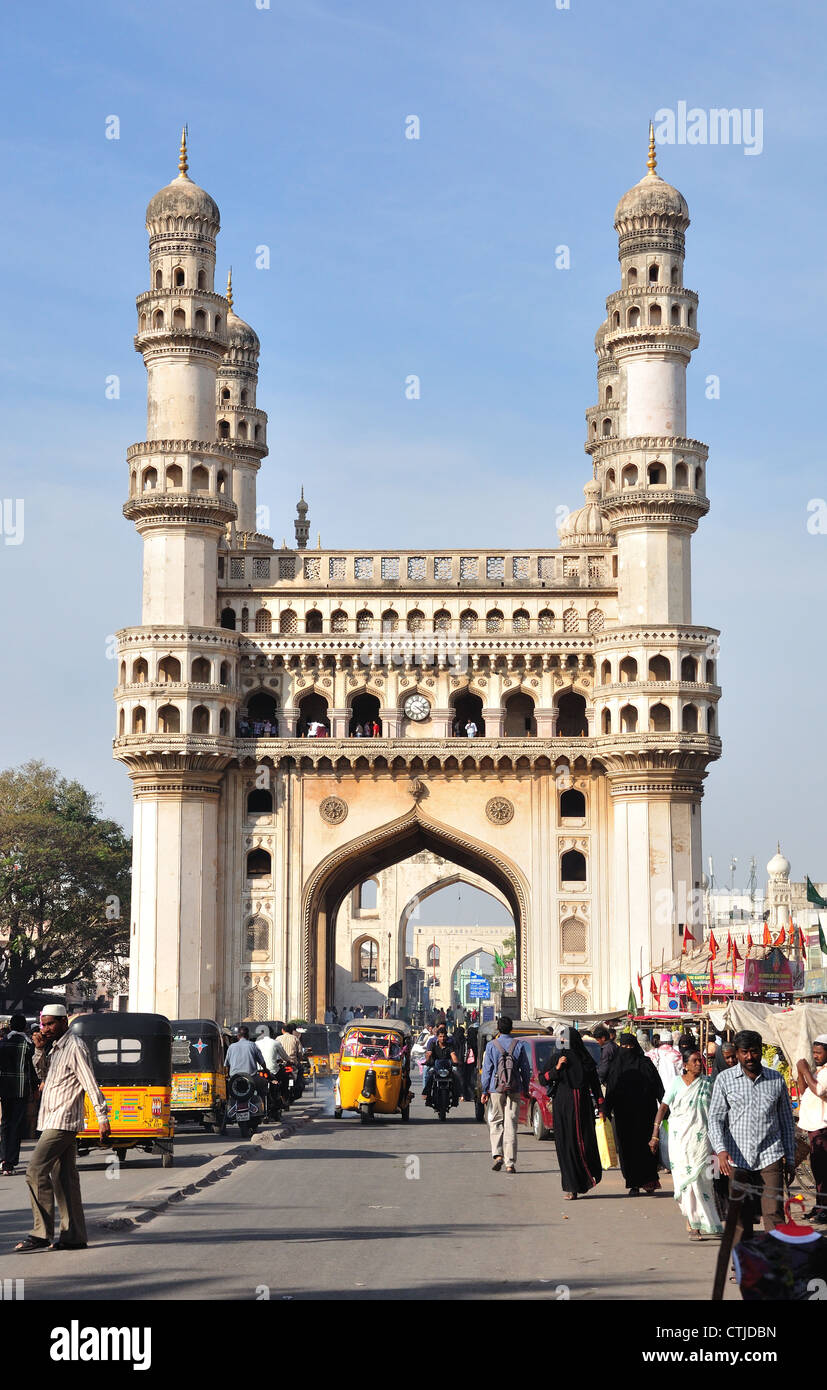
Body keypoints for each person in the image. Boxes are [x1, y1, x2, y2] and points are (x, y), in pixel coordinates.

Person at [14, 1004, 109, 1252]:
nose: (45, 1029)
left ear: (64, 1022)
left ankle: (41, 1233)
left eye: (50, 1024)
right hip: (51, 1118)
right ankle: (74, 1237)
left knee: (35, 1170)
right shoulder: (55, 1048)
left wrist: (102, 1116)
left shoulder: (75, 1046)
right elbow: (43, 1076)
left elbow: (90, 1082)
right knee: (65, 1179)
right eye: (43, 1024)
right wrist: (39, 1050)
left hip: (63, 1120)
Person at [707, 1029, 796, 1244]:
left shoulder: (775, 1079)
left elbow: (786, 1122)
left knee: (774, 1212)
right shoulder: (725, 1080)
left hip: (770, 1154)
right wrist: (720, 1150)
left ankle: (775, 1260)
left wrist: (790, 1158)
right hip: (736, 1158)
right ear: (737, 1053)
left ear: (761, 1051)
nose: (749, 1057)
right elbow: (715, 1119)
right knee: (740, 1214)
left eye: (754, 1051)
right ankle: (743, 1260)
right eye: (744, 1052)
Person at [650, 1049, 723, 1240]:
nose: (699, 1064)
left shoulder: (709, 1083)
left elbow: (718, 1110)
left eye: (701, 1060)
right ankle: (692, 1223)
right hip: (680, 1139)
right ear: (685, 1065)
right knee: (686, 1181)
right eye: (695, 1061)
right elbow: (663, 1108)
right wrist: (655, 1134)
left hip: (703, 1140)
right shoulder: (676, 1083)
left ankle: (705, 1221)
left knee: (703, 1180)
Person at [545, 1026, 603, 1199]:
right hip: (562, 1108)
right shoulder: (557, 1058)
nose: (563, 1042)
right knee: (566, 1145)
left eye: (565, 1039)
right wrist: (557, 1068)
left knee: (583, 1143)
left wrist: (601, 1107)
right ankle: (571, 1186)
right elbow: (543, 1078)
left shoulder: (586, 1061)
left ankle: (585, 1179)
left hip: (582, 1108)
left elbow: (595, 1086)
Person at [604, 1033, 664, 1195]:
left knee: (647, 1148)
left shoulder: (645, 1063)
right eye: (625, 1047)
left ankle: (649, 1180)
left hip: (646, 1114)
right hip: (624, 1116)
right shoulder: (616, 1066)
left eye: (631, 1046)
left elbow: (657, 1086)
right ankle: (633, 1183)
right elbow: (611, 1090)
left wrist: (665, 1107)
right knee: (627, 1149)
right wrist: (606, 1110)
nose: (628, 1050)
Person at [480, 1016, 530, 1174]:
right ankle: (510, 1163)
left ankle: (497, 1155)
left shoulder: (491, 1045)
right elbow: (525, 1069)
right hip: (515, 1088)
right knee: (511, 1124)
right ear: (511, 1028)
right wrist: (526, 1088)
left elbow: (487, 1070)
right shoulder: (519, 1045)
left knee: (496, 1121)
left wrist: (484, 1090)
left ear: (498, 1029)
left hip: (496, 1088)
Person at [0, 1015, 39, 1176]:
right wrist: (35, 1088)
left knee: (5, 1123)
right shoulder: (28, 1045)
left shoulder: (3, 1043)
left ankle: (3, 1158)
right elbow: (33, 1069)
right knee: (16, 1125)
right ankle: (10, 1162)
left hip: (4, 1089)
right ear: (25, 1027)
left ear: (10, 1026)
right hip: (21, 1090)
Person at [795, 1033, 827, 1223]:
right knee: (818, 1171)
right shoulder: (818, 1071)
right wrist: (801, 1073)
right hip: (814, 1127)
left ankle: (824, 1209)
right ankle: (820, 1206)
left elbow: (819, 1090)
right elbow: (804, 1091)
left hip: (823, 1128)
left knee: (823, 1171)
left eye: (819, 1052)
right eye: (814, 1052)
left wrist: (805, 1070)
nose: (815, 1056)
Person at [422, 1024, 460, 1107]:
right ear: (437, 1037)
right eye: (440, 1036)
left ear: (446, 1037)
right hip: (436, 1067)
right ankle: (427, 1096)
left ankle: (456, 1097)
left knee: (456, 1076)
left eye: (444, 1036)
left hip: (447, 1068)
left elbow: (453, 1055)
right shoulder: (433, 1044)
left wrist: (456, 1062)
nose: (442, 1038)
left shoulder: (449, 1045)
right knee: (429, 1076)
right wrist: (427, 1059)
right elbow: (429, 1053)